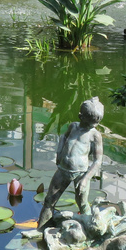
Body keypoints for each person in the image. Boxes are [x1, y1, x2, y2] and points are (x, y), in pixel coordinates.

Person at [37, 97, 105, 229]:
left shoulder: (95, 135)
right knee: (49, 200)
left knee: (82, 203)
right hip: (63, 170)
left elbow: (98, 160)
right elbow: (63, 136)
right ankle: (40, 229)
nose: (92, 126)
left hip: (81, 173)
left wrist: (86, 179)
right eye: (90, 123)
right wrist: (59, 152)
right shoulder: (73, 126)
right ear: (81, 117)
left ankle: (90, 230)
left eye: (95, 124)